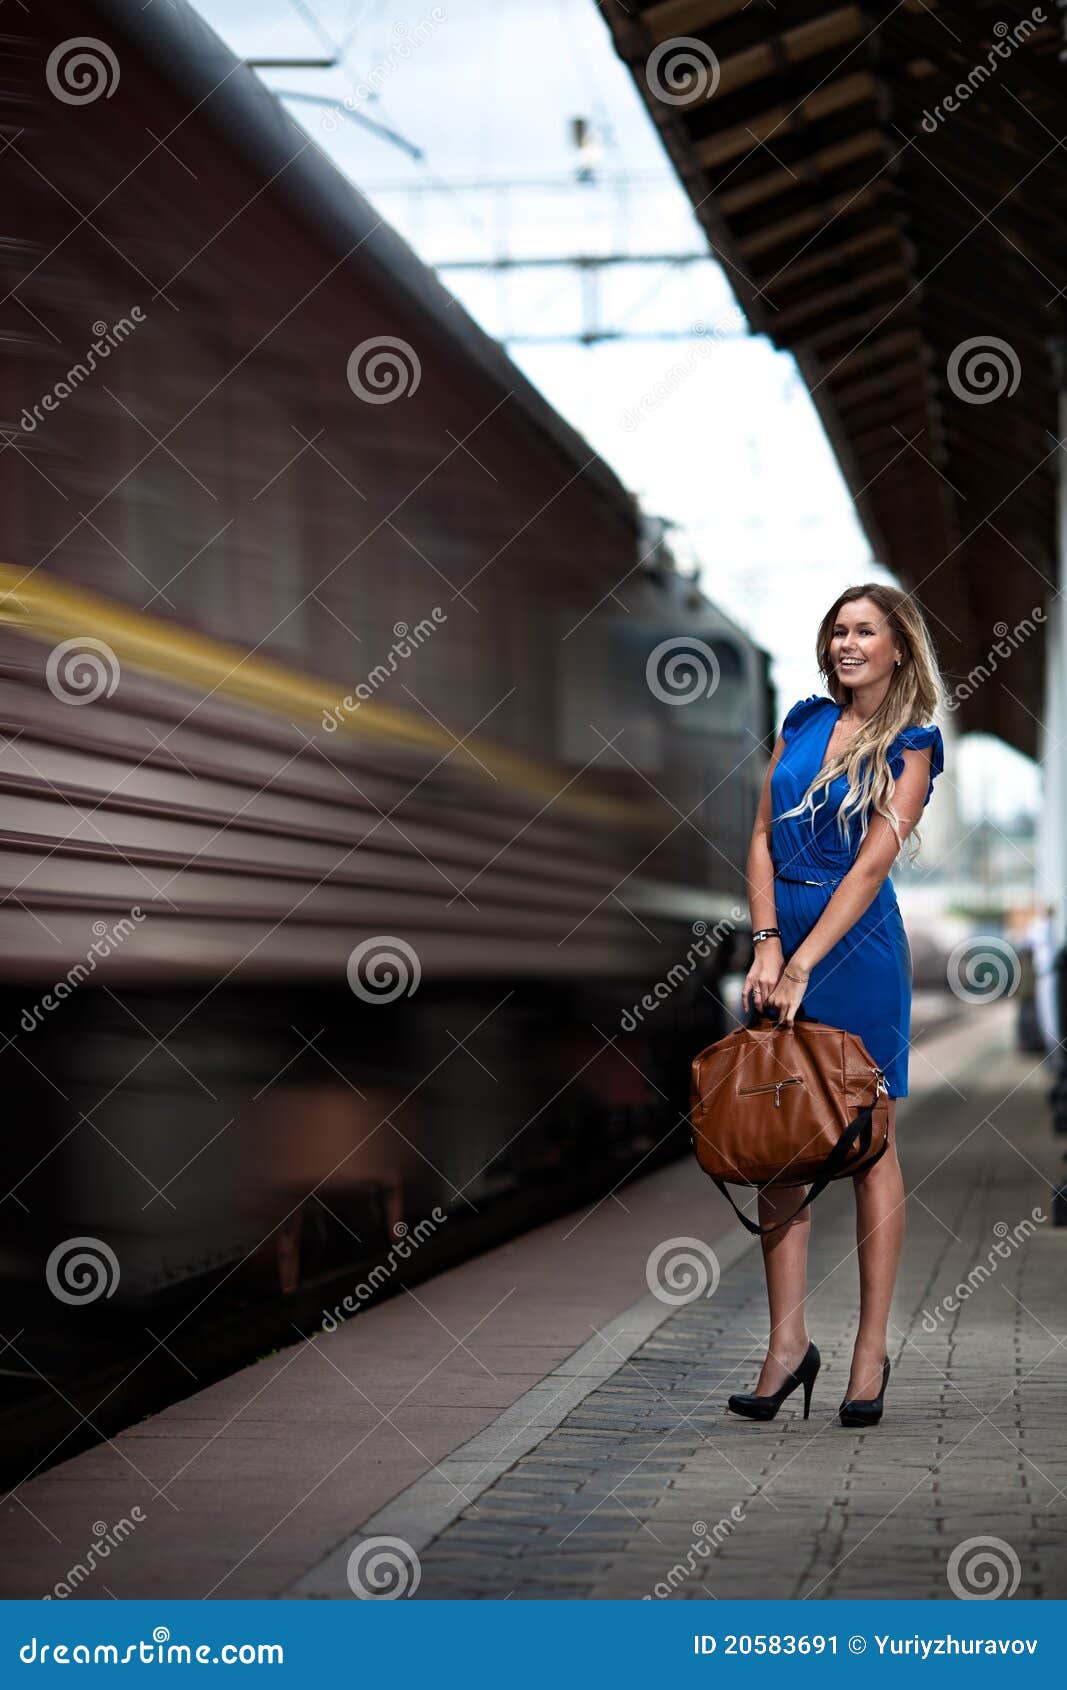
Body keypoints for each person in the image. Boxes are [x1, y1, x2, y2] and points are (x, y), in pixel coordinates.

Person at [730, 583, 945, 1428]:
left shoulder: (914, 743)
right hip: (783, 938)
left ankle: (868, 1353)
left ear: (898, 647)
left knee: (866, 1144)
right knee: (776, 1141)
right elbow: (756, 835)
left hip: (855, 952)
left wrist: (804, 964)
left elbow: (868, 870)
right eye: (837, 631)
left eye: (864, 631)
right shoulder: (801, 721)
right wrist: (765, 943)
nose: (846, 644)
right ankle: (787, 1348)